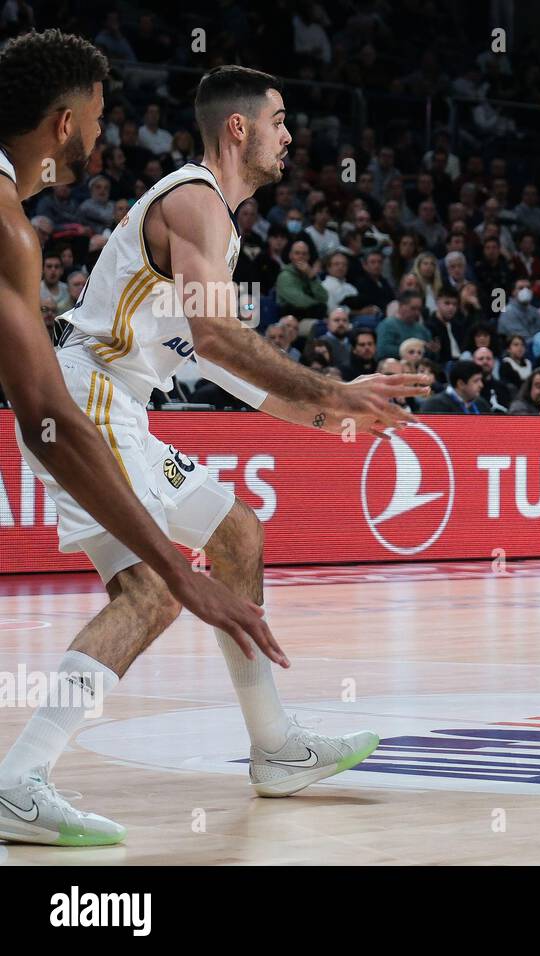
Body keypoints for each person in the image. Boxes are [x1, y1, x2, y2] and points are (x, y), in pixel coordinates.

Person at [1, 64, 430, 846]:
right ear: (239, 128)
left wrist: (337, 415)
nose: (290, 134)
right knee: (151, 593)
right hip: (89, 395)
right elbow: (218, 336)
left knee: (237, 533)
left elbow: (223, 366)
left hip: (120, 402)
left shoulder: (212, 223)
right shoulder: (195, 200)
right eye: (280, 119)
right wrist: (335, 389)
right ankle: (19, 780)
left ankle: (274, 749)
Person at [419, 359, 489, 414]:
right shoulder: (435, 405)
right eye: (476, 381)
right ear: (461, 384)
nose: (481, 385)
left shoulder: (481, 404)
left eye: (480, 380)